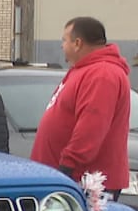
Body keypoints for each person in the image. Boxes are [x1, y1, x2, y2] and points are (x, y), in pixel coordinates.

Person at [30, 16, 130, 198]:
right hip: (62, 177)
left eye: (64, 40)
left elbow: (91, 127)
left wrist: (68, 166)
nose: (62, 45)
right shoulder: (83, 70)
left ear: (77, 43)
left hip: (85, 182)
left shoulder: (102, 73)